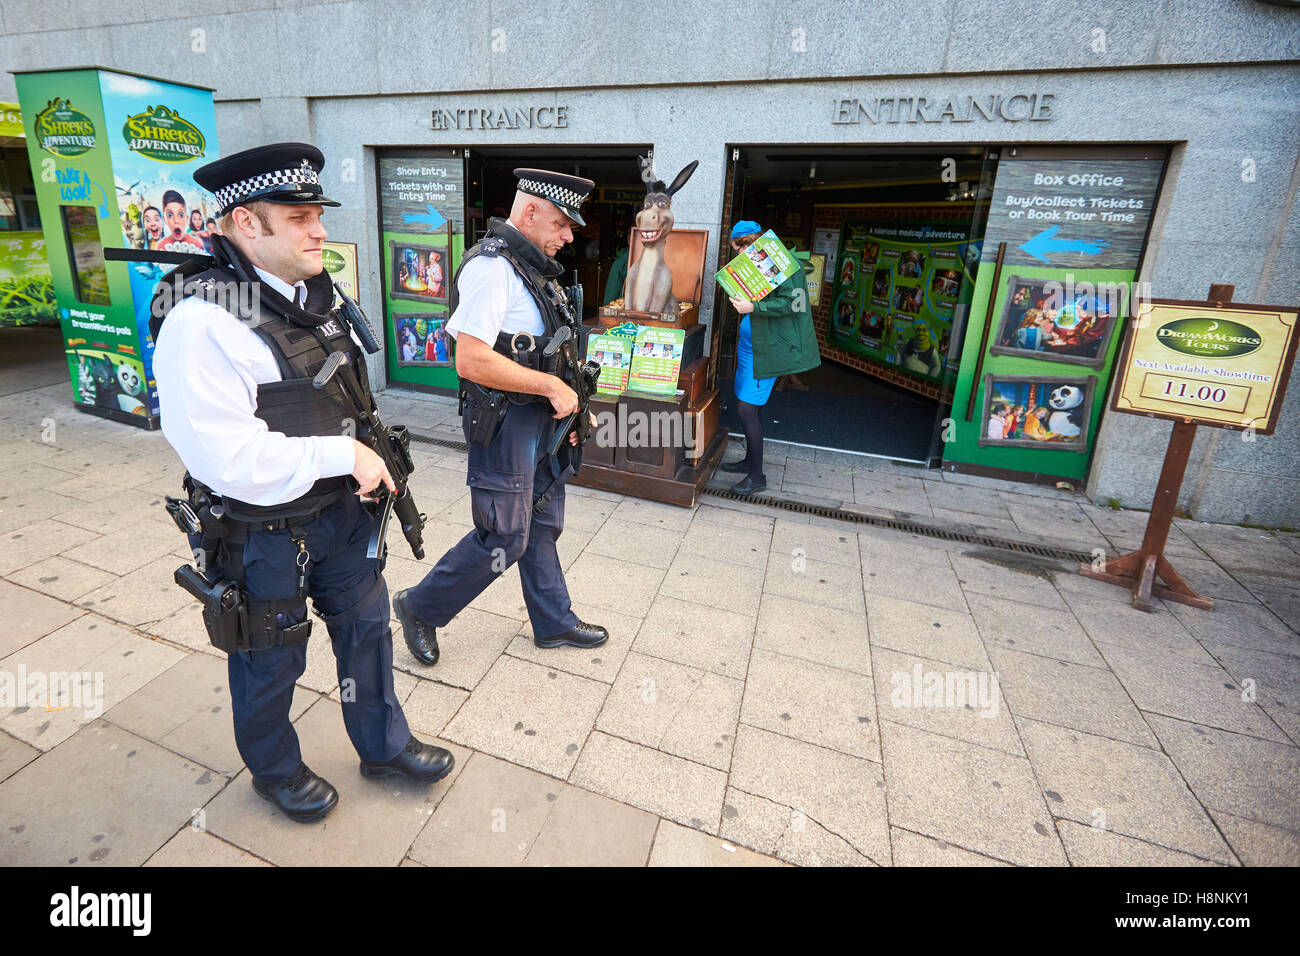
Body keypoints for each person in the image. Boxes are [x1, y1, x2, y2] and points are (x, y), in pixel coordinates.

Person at [151, 143, 453, 824]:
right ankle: (275, 769)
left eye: (317, 212)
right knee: (269, 657)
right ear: (245, 223)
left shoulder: (315, 295)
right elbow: (226, 457)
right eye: (299, 217)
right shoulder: (202, 321)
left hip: (341, 515)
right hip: (263, 533)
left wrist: (369, 464)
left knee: (367, 630)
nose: (319, 229)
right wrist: (343, 456)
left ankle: (383, 745)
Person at [392, 168, 606, 667]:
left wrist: (574, 401)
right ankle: (420, 607)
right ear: (529, 212)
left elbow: (550, 350)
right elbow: (471, 359)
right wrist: (550, 386)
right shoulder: (493, 269)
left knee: (543, 522)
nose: (568, 236)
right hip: (507, 422)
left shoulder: (530, 269)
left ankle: (552, 621)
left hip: (544, 422)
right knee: (505, 535)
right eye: (561, 224)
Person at [720, 220, 821, 495]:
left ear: (753, 242)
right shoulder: (753, 264)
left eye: (741, 248)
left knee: (746, 409)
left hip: (768, 349)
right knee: (749, 405)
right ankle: (749, 461)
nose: (739, 255)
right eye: (736, 250)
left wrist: (753, 305)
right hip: (749, 346)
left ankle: (757, 476)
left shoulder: (788, 265)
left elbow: (794, 303)